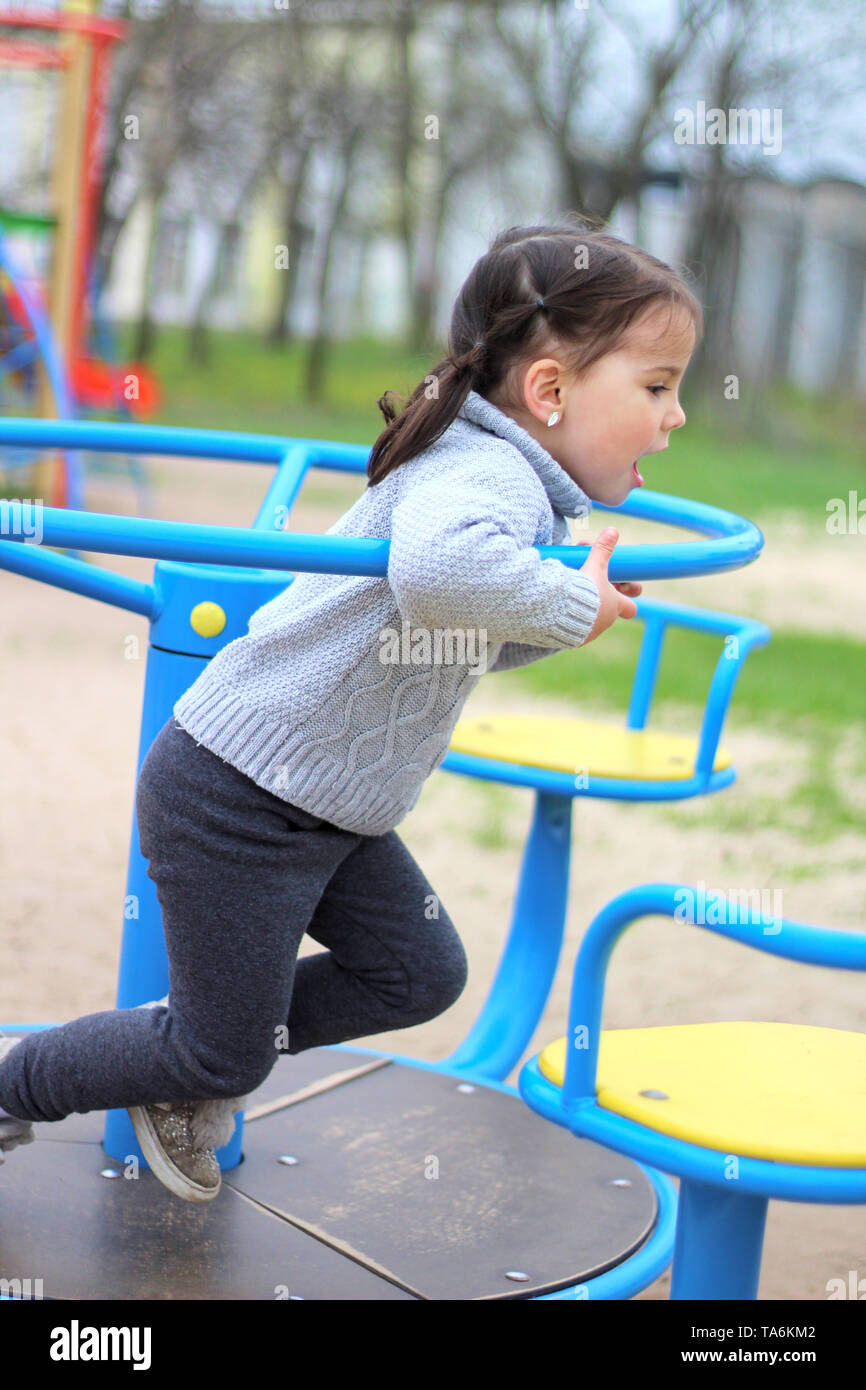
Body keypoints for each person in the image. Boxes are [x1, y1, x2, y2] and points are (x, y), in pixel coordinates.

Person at [0, 220, 700, 1202]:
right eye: (657, 387)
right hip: (237, 797)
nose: (673, 418)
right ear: (547, 391)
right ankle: (26, 1086)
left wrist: (566, 611)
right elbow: (439, 573)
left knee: (416, 973)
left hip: (329, 807)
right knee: (219, 1049)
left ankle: (195, 1051)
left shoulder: (514, 485)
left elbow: (459, 635)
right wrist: (569, 600)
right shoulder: (483, 473)